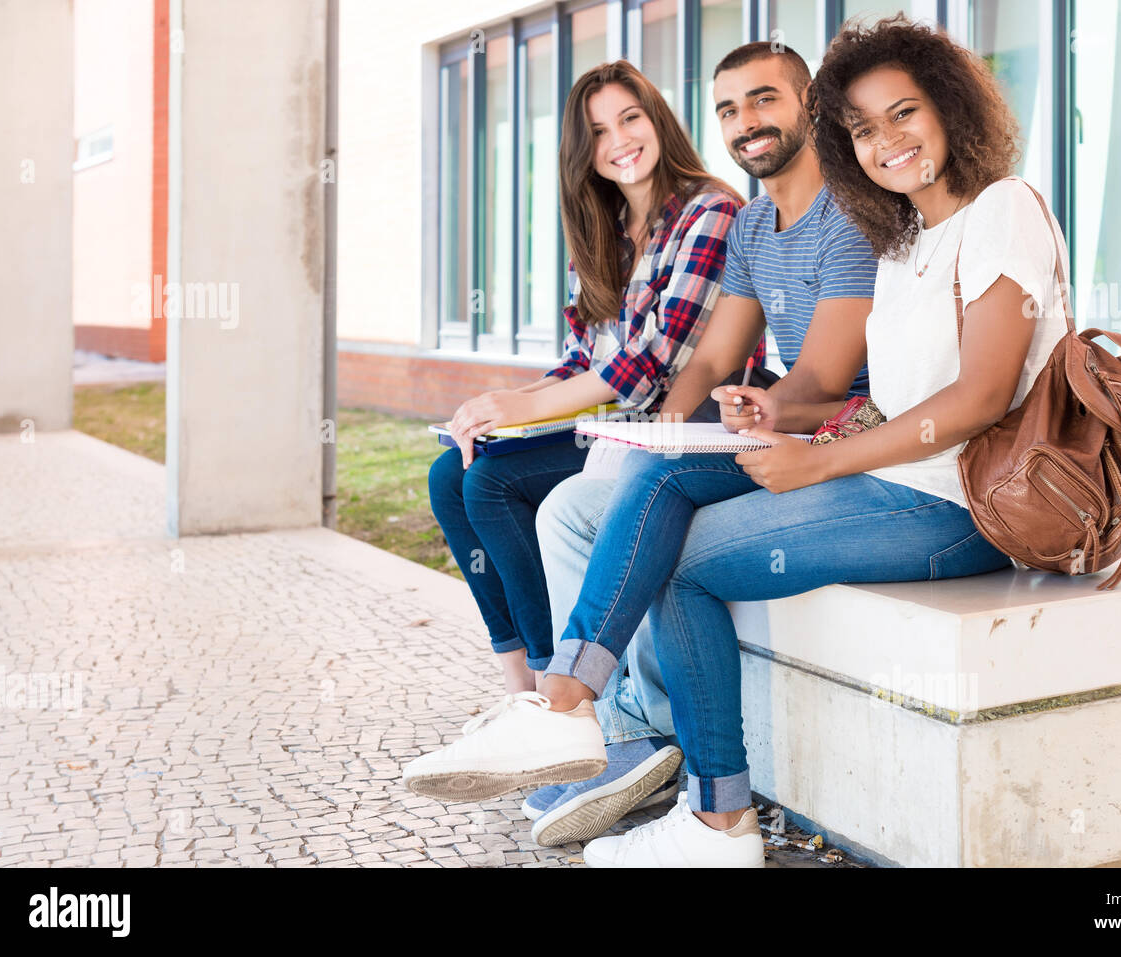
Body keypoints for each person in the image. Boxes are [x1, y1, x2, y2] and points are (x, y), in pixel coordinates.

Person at [407, 13, 1068, 868]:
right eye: (863, 128)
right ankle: (595, 728)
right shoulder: (902, 238)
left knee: (673, 549)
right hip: (889, 473)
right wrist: (763, 417)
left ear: (949, 107)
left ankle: (666, 778)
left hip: (961, 502)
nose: (885, 142)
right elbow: (877, 398)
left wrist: (819, 454)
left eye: (903, 114)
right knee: (664, 490)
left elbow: (977, 398)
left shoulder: (1001, 209)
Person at [521, 42, 878, 847]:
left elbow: (823, 379)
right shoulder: (755, 223)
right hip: (779, 428)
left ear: (809, 106)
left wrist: (756, 410)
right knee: (573, 506)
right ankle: (615, 731)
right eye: (728, 109)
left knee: (662, 530)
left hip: (844, 441)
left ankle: (579, 708)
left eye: (764, 101)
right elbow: (715, 355)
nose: (746, 123)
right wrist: (670, 431)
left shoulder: (850, 217)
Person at [425, 60, 742, 710]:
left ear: (656, 118)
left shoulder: (709, 211)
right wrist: (499, 410)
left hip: (673, 425)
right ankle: (517, 692)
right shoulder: (604, 230)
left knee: (493, 483)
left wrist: (519, 403)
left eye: (630, 118)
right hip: (605, 423)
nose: (620, 140)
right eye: (598, 132)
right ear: (582, 151)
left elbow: (649, 367)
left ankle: (555, 697)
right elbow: (578, 365)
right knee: (448, 475)